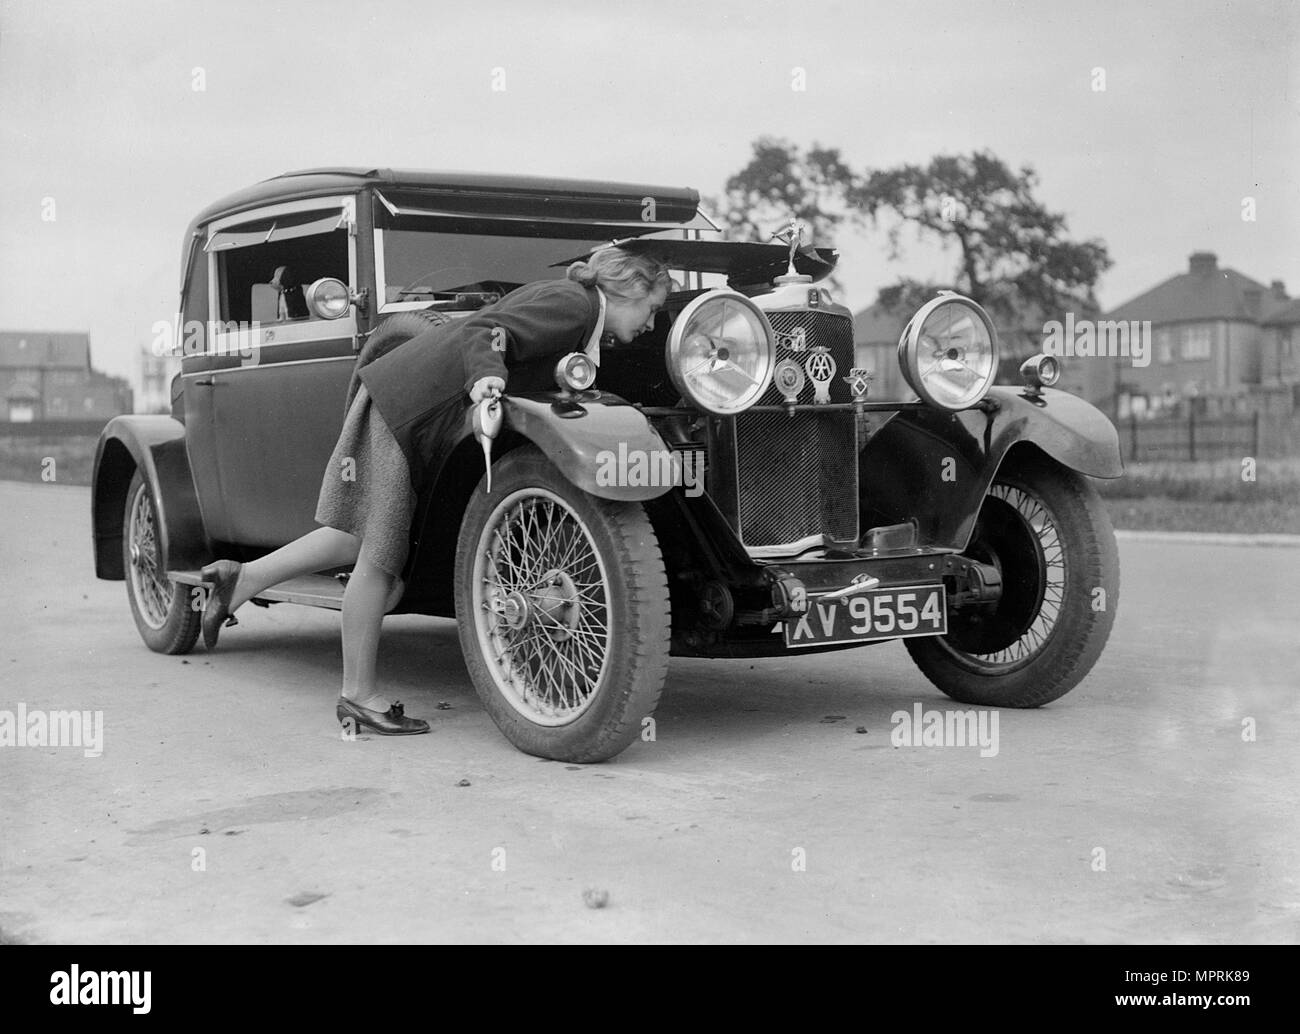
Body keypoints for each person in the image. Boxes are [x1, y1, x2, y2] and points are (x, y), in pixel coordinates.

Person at [198, 246, 673, 736]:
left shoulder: (579, 310)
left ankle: (243, 579)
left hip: (401, 405)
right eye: (652, 308)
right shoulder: (574, 304)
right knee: (379, 560)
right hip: (405, 410)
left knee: (353, 539)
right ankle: (357, 696)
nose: (652, 323)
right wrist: (487, 378)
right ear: (628, 289)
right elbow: (483, 332)